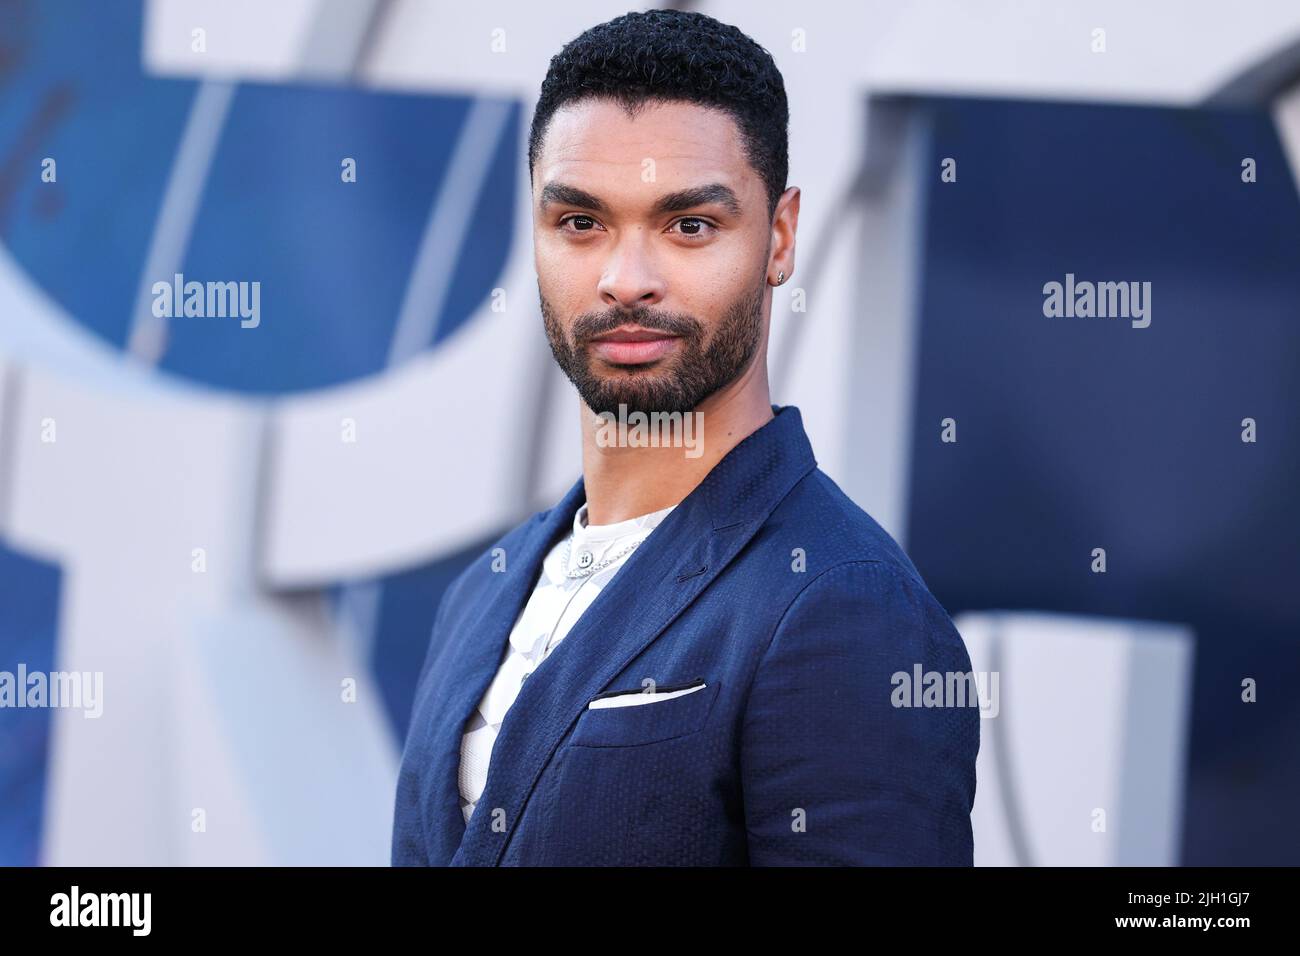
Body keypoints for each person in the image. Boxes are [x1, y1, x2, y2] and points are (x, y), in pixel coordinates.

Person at [392, 8, 978, 866]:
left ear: (778, 237)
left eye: (689, 226)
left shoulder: (846, 608)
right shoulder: (484, 592)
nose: (627, 281)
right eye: (581, 224)